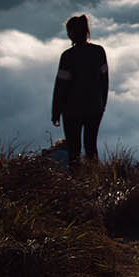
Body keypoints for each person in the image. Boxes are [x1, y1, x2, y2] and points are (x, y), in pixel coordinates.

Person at [51, 14, 109, 167]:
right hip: (94, 107)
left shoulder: (68, 56)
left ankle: (77, 182)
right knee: (91, 146)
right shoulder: (98, 52)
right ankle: (95, 179)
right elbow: (104, 81)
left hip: (72, 110)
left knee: (74, 150)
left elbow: (61, 86)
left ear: (71, 33)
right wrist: (102, 103)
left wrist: (56, 111)